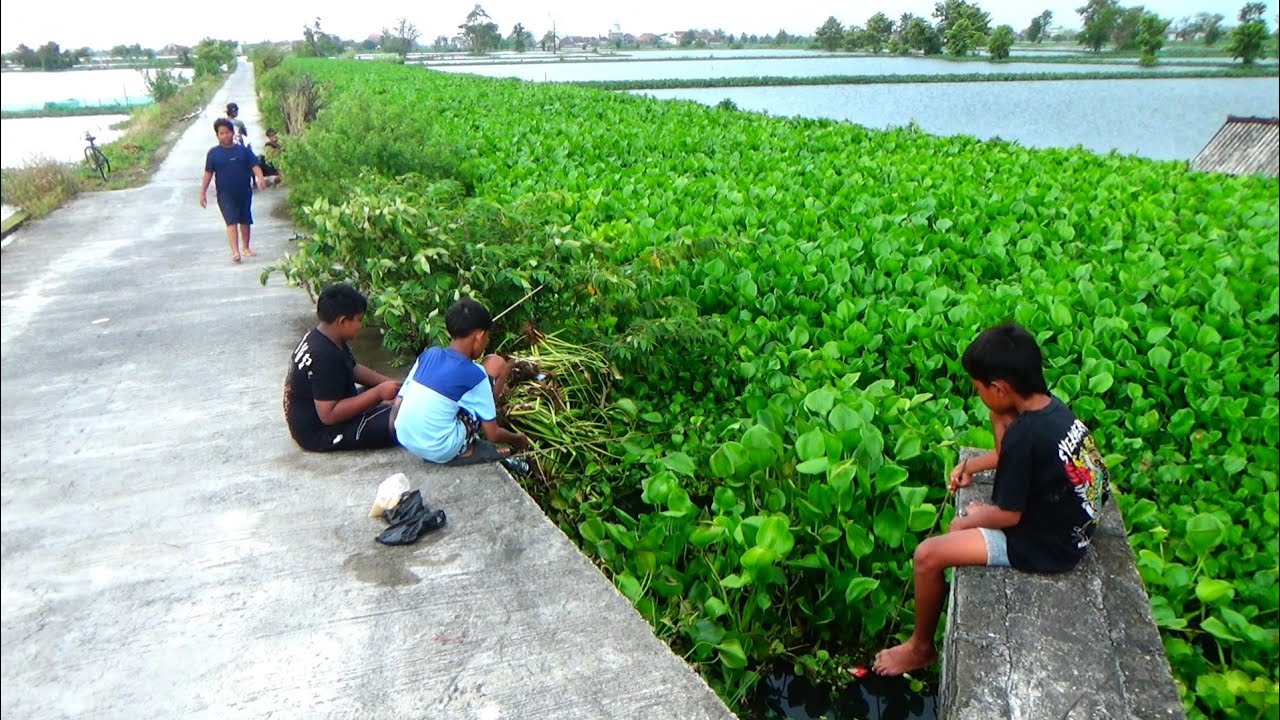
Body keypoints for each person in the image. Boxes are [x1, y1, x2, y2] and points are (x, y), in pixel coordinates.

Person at [872, 323, 1111, 676]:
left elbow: (1010, 514)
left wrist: (975, 517)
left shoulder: (1024, 435)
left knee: (928, 554)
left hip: (1048, 547)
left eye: (979, 387)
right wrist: (973, 463)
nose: (979, 394)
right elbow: (1009, 456)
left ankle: (920, 648)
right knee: (960, 528)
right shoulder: (1053, 410)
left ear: (999, 388)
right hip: (1076, 523)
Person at [391, 297, 530, 466]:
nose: (486, 344)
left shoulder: (429, 355)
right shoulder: (475, 375)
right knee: (481, 409)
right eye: (487, 338)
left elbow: (398, 402)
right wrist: (517, 439)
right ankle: (468, 450)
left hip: (406, 439)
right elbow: (493, 435)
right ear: (479, 336)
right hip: (441, 450)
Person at [284, 283, 402, 452]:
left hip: (320, 413)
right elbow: (329, 415)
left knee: (392, 399)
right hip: (320, 433)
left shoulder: (324, 336)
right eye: (359, 320)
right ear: (343, 321)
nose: (361, 326)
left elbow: (352, 369)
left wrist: (393, 385)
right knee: (403, 420)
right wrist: (378, 393)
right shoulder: (324, 356)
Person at [199, 118, 265, 263]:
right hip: (225, 194)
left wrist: (260, 178)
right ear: (217, 136)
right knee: (231, 221)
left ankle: (246, 247)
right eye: (221, 133)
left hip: (244, 191)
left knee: (245, 220)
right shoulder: (213, 154)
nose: (225, 136)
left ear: (232, 133)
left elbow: (255, 165)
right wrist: (202, 192)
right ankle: (235, 252)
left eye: (227, 132)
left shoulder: (243, 151)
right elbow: (208, 174)